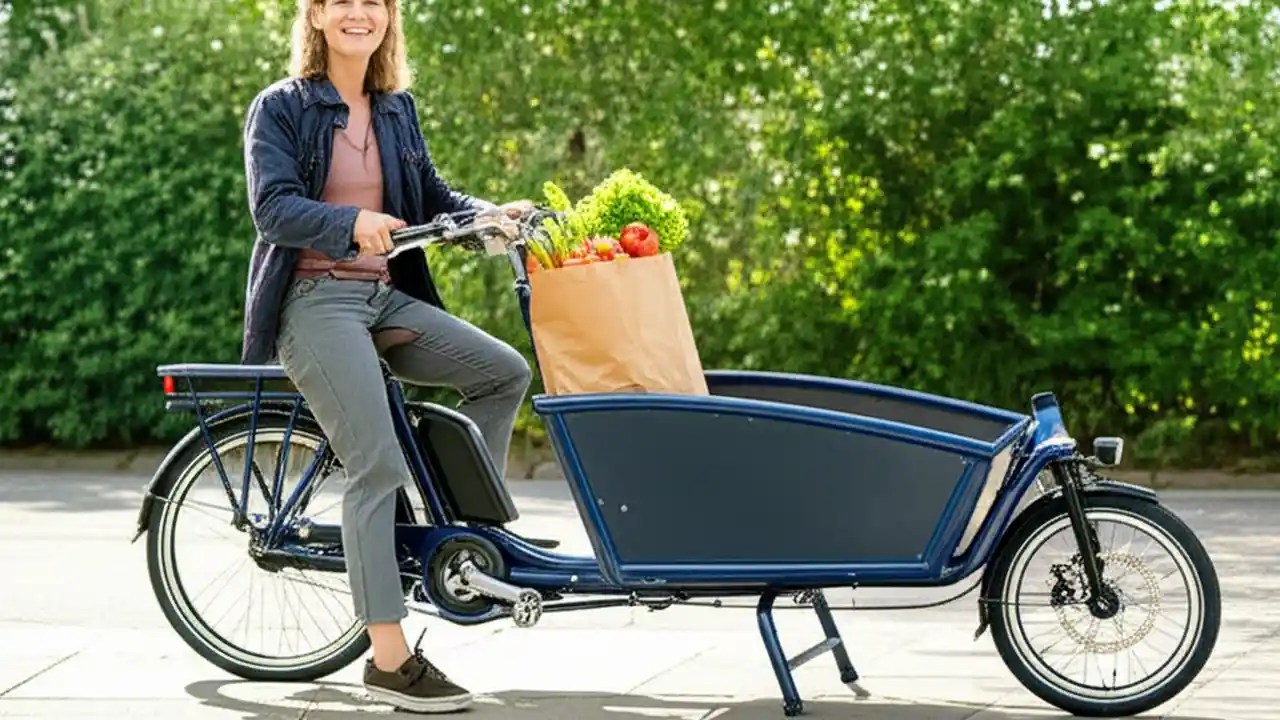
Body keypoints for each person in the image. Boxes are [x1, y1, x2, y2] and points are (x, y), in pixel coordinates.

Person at [240, 0, 535, 713]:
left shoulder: (395, 108)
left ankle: (464, 542)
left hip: (383, 299)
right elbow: (272, 208)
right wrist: (351, 223)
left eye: (372, 1)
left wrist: (491, 215)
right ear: (315, 15)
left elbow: (432, 196)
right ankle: (390, 663)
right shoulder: (280, 107)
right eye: (341, 1)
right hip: (313, 301)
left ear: (388, 17)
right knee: (377, 465)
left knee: (503, 372)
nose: (357, 12)